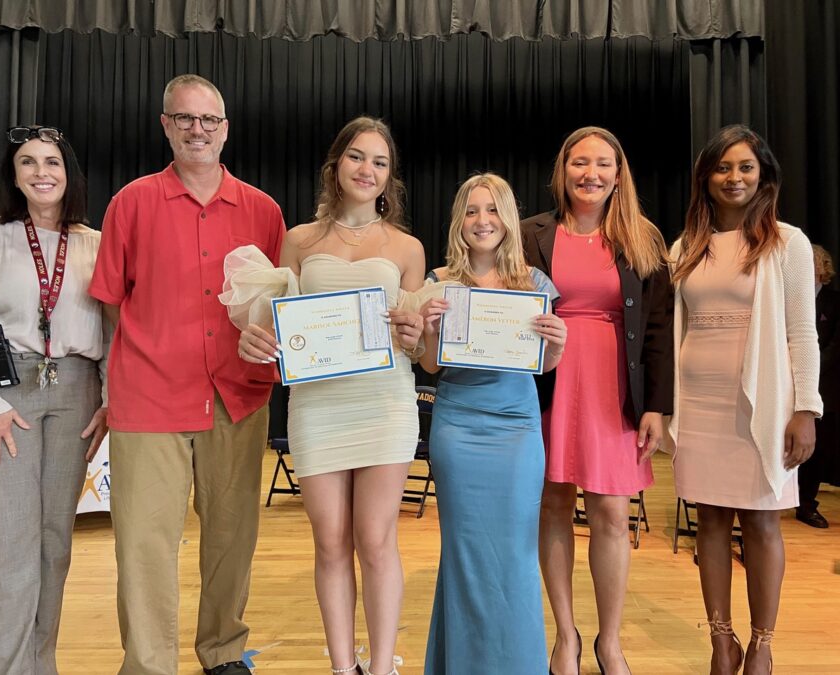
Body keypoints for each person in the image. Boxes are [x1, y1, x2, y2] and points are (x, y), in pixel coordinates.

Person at [89, 74, 286, 675]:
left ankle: (223, 652)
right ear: (165, 126)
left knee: (232, 541)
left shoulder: (263, 211)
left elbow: (281, 306)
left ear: (225, 129)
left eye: (209, 120)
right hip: (149, 399)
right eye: (184, 119)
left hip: (238, 399)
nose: (197, 130)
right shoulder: (131, 202)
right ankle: (149, 664)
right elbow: (109, 299)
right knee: (144, 546)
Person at [235, 116, 425, 675]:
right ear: (336, 165)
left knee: (376, 538)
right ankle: (344, 666)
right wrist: (259, 337)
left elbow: (417, 343)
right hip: (319, 407)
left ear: (390, 177)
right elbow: (275, 322)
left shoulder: (408, 248)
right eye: (357, 157)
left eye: (380, 162)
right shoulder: (298, 240)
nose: (368, 170)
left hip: (386, 403)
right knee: (331, 540)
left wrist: (414, 335)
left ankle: (383, 665)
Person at [669, 125, 822, 675]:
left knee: (761, 521)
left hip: (764, 401)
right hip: (700, 403)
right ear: (705, 178)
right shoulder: (684, 245)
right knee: (709, 519)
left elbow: (802, 333)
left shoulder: (789, 242)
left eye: (746, 167)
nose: (734, 178)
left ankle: (761, 645)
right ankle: (721, 641)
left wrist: (807, 407)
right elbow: (674, 331)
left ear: (764, 175)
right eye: (722, 167)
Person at [522, 126, 673, 675]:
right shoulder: (530, 233)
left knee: (611, 511)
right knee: (554, 505)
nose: (591, 173)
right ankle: (566, 635)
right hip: (548, 385)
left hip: (616, 387)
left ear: (618, 172)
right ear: (562, 170)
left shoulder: (643, 237)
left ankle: (610, 640)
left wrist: (656, 405)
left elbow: (657, 327)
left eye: (603, 164)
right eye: (579, 162)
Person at [416, 173, 567, 674]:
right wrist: (431, 332)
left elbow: (542, 367)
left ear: (508, 218)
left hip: (518, 430)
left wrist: (557, 344)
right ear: (460, 220)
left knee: (518, 556)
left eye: (492, 210)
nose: (483, 221)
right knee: (465, 554)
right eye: (472, 211)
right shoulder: (438, 283)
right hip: (458, 426)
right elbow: (432, 367)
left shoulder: (535, 283)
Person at [0, 125, 108, 673]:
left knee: (55, 542)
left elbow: (114, 324)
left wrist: (110, 396)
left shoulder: (94, 242)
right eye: (27, 162)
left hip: (77, 391)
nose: (40, 173)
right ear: (13, 175)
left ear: (68, 172)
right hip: (7, 393)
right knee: (10, 542)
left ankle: (39, 663)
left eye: (51, 162)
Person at [795, 244, 840, 528]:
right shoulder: (786, 299)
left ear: (823, 268)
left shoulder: (837, 302)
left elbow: (838, 345)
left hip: (823, 387)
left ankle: (807, 505)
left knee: (817, 450)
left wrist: (808, 367)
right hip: (788, 386)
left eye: (812, 262)